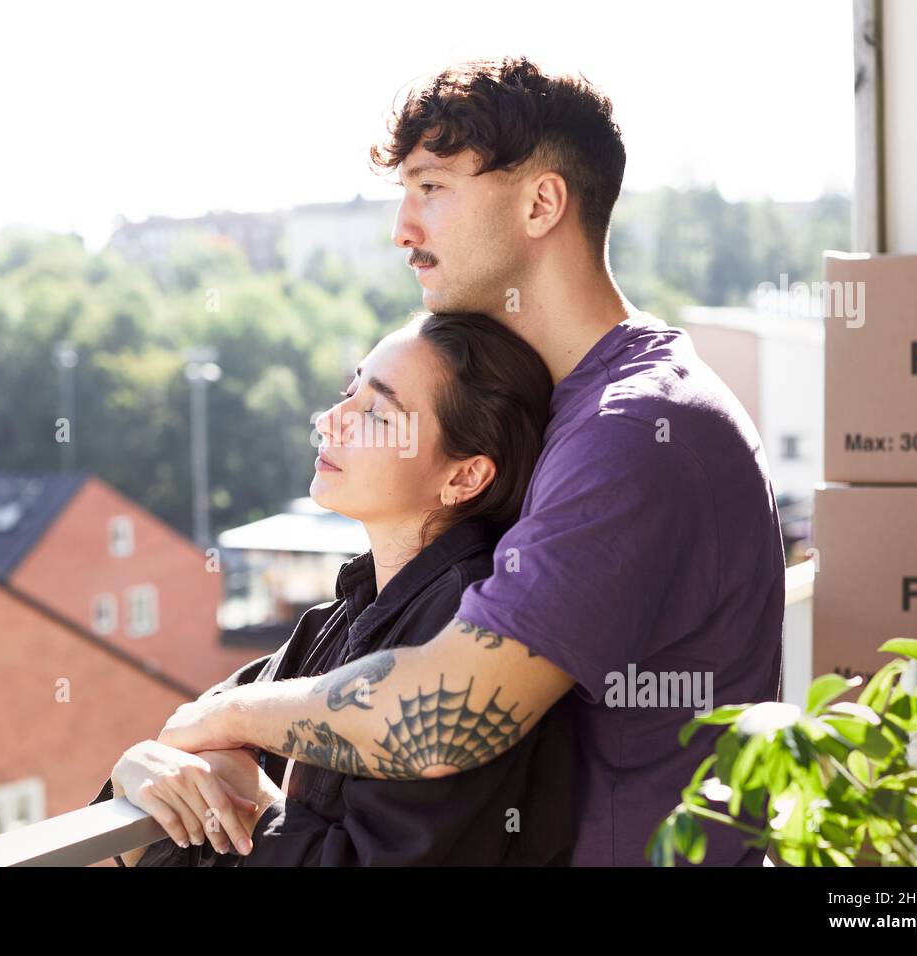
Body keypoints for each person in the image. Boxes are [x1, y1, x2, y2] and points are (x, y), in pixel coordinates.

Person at [144, 56, 786, 867]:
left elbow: (449, 716)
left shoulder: (635, 429)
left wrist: (227, 722)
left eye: (432, 188)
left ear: (541, 203)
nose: (402, 228)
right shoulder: (582, 406)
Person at [90, 310, 578, 865]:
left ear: (464, 476)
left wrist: (251, 802)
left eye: (378, 413)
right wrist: (136, 770)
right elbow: (179, 754)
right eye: (349, 391)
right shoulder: (333, 623)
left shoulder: (468, 632)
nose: (329, 419)